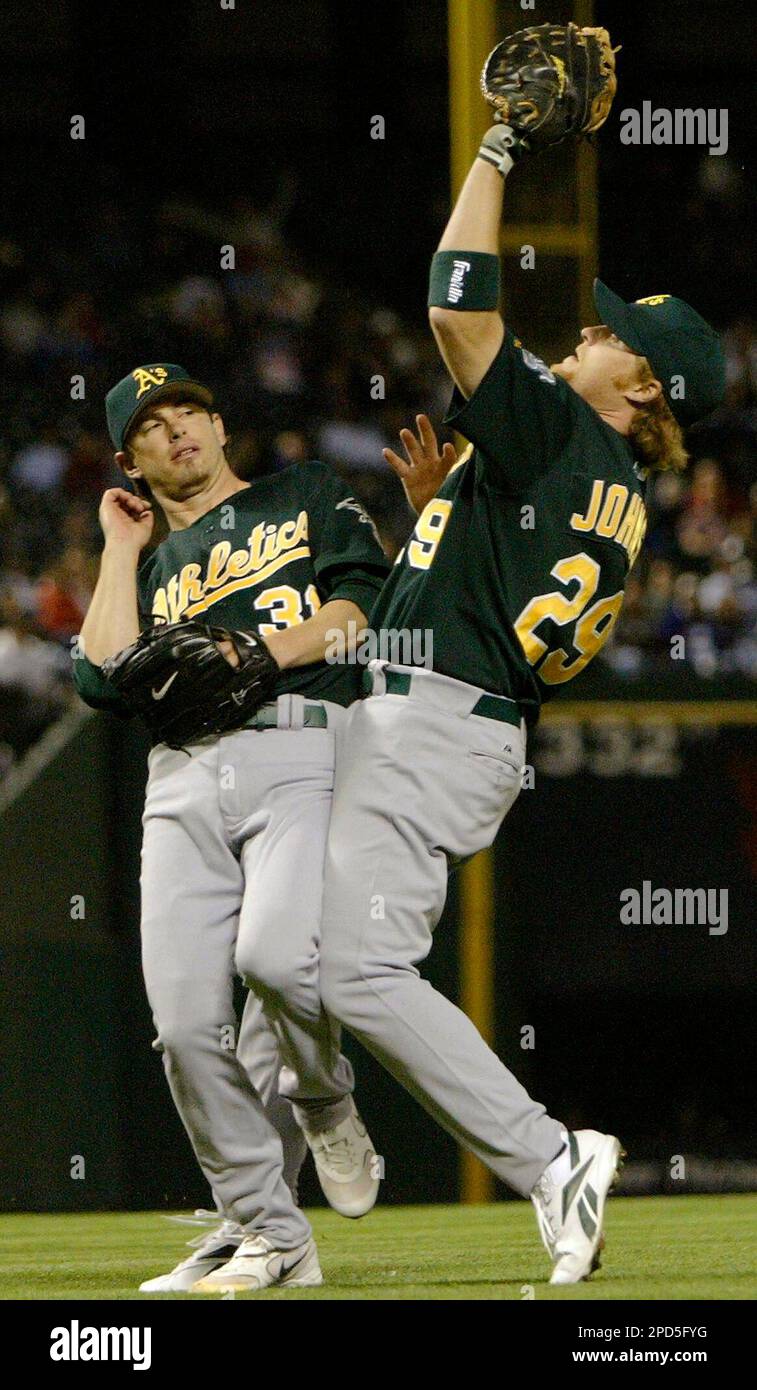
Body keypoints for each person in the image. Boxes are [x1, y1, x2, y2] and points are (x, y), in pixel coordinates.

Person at [205, 120, 726, 1288]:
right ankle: (260, 1225)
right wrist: (451, 512)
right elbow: (500, 582)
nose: (588, 332)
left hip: (432, 720)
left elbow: (453, 306)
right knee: (276, 957)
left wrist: (495, 147)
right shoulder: (598, 481)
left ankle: (551, 1158)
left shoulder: (565, 429)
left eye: (611, 338)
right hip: (433, 710)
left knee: (350, 974)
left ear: (637, 388)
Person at [73, 363, 389, 1292]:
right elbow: (99, 677)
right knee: (180, 1023)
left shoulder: (300, 493)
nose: (179, 432)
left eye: (191, 413)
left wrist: (258, 652)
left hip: (298, 745)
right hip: (180, 777)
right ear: (130, 459)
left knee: (279, 963)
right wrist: (118, 552)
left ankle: (324, 1098)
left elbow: (358, 611)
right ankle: (265, 1229)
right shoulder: (148, 560)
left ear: (217, 424)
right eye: (153, 427)